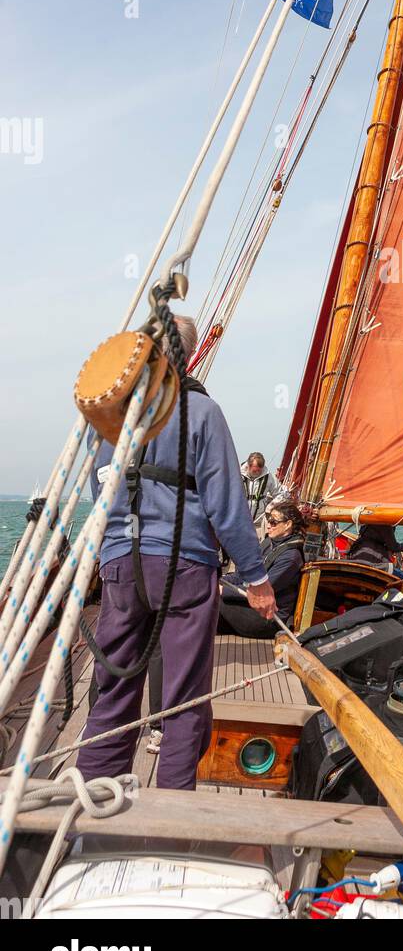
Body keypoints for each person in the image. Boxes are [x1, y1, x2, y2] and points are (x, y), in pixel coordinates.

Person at [77, 316, 276, 791]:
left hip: (122, 566)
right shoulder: (202, 412)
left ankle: (88, 803)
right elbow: (228, 507)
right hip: (185, 567)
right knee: (183, 700)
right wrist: (257, 579)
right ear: (188, 355)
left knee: (114, 691)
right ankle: (170, 814)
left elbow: (98, 494)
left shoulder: (107, 416)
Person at [219, 501, 307, 637]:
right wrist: (219, 581)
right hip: (251, 605)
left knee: (210, 601)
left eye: (273, 522)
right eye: (268, 520)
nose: (269, 526)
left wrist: (222, 591)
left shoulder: (291, 558)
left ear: (288, 525)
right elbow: (244, 574)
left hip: (268, 618)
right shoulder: (269, 543)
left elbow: (262, 591)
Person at [241, 452, 278, 527]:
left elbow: (282, 494)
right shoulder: (237, 474)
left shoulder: (268, 477)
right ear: (248, 466)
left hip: (259, 523)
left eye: (259, 471)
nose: (257, 473)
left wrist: (271, 505)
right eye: (254, 471)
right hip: (239, 521)